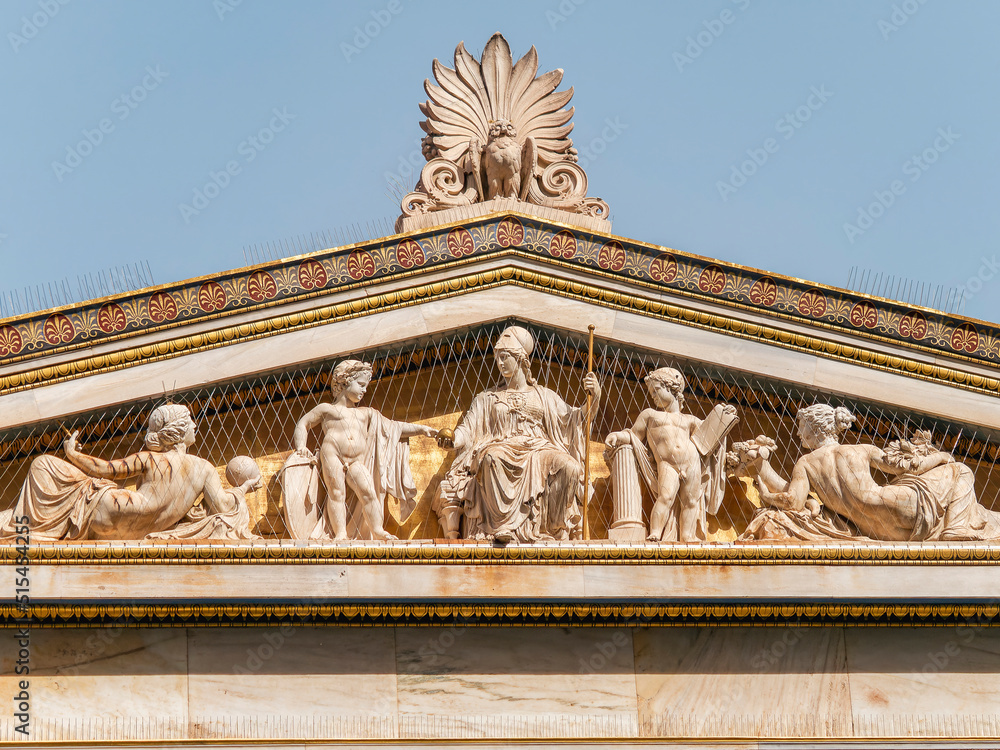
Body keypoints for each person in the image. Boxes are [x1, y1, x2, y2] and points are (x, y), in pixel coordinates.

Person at [735, 404, 1000, 542]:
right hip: (898, 507)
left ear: (815, 428)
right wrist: (942, 456)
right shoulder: (860, 449)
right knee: (961, 470)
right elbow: (911, 466)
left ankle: (957, 528)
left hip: (879, 530)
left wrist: (764, 485)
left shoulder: (805, 464)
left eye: (801, 426)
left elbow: (792, 499)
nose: (797, 433)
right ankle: (955, 530)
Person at [434, 325, 601, 543]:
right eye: (497, 358)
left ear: (521, 359)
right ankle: (502, 526)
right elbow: (468, 429)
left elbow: (575, 420)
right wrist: (453, 439)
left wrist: (594, 396)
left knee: (569, 466)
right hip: (501, 447)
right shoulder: (487, 398)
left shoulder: (544, 396)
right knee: (492, 458)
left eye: (505, 357)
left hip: (540, 449)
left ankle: (554, 528)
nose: (500, 363)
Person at [0, 404, 259, 541]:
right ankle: (19, 525)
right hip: (131, 527)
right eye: (190, 419)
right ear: (178, 430)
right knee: (47, 473)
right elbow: (225, 507)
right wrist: (243, 488)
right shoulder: (205, 469)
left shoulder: (150, 459)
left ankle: (18, 527)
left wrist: (72, 454)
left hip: (111, 508)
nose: (195, 424)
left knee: (42, 464)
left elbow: (107, 469)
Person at [286, 360, 437, 541]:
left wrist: (421, 429)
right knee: (336, 493)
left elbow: (393, 427)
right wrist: (301, 446)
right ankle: (341, 532)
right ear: (345, 381)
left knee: (369, 492)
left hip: (357, 460)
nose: (364, 390)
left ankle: (377, 530)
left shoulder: (366, 413)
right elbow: (303, 423)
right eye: (361, 385)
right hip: (332, 452)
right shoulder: (327, 409)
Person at [605, 367, 733, 542]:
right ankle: (656, 532)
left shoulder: (689, 419)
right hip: (667, 464)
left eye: (656, 391)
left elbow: (709, 434)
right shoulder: (650, 415)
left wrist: (724, 415)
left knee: (691, 501)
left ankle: (687, 536)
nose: (653, 396)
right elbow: (633, 435)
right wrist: (617, 435)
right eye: (651, 393)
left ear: (670, 389)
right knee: (666, 497)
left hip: (692, 462)